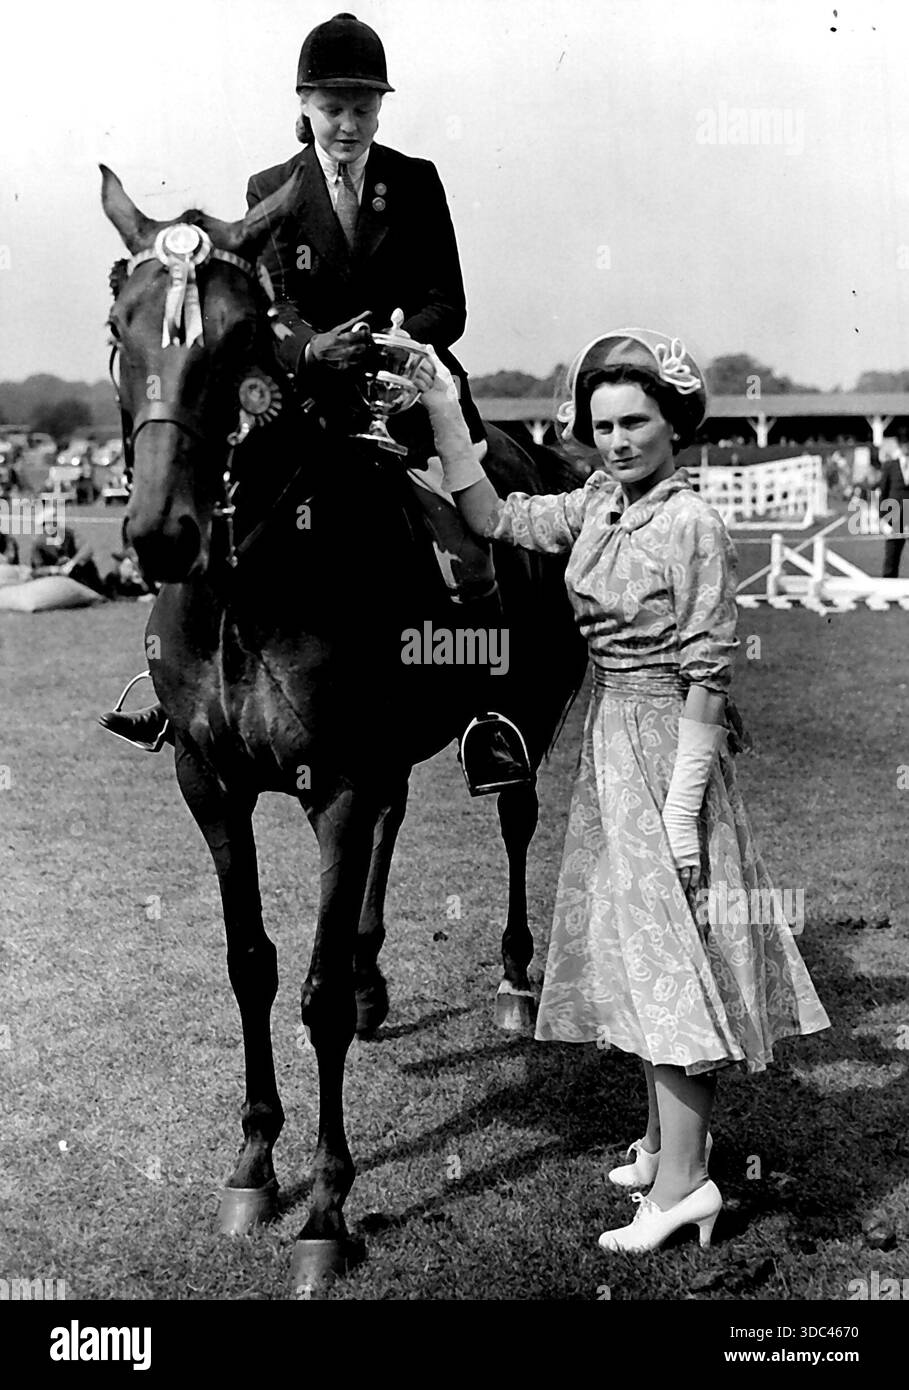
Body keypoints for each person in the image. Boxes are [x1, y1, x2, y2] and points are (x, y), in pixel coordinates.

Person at [413, 327, 830, 1254]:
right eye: (601, 424)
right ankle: (662, 1144)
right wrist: (444, 405)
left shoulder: (691, 522)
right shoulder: (602, 500)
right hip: (611, 740)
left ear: (672, 424)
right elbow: (496, 519)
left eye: (634, 422)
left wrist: (682, 811)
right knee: (640, 956)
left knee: (674, 962)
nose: (616, 440)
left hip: (668, 749)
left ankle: (684, 1186)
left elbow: (708, 675)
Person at [100, 12, 529, 785]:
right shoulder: (270, 190)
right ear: (305, 104)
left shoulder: (417, 180)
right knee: (223, 498)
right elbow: (271, 301)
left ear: (379, 110)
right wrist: (308, 348)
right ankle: (178, 689)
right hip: (311, 388)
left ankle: (488, 710)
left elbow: (448, 300)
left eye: (363, 108)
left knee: (465, 520)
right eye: (333, 107)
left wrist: (396, 340)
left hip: (409, 380)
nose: (348, 123)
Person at [878, 435, 909, 576]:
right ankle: (889, 594)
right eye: (904, 444)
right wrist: (883, 520)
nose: (906, 447)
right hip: (894, 519)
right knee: (891, 559)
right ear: (899, 446)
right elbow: (883, 494)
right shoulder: (890, 466)